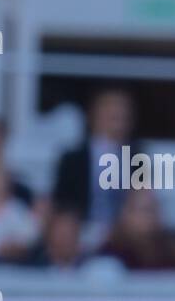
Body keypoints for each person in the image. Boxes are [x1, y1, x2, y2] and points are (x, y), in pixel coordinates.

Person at [52, 88, 135, 239]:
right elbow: (62, 203)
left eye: (122, 116)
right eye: (112, 116)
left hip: (124, 236)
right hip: (81, 231)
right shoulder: (73, 159)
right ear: (94, 116)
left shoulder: (136, 158)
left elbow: (141, 200)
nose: (117, 122)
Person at [97, 189, 175, 272]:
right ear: (126, 214)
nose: (150, 217)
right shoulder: (109, 254)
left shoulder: (173, 256)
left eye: (154, 209)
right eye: (144, 210)